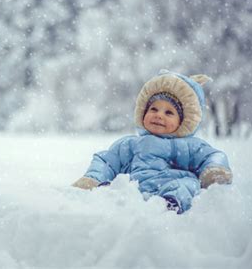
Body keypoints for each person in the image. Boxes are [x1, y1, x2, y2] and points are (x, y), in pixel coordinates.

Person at [72, 70, 233, 213]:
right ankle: (108, 197)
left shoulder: (188, 146)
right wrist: (94, 178)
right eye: (153, 109)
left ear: (183, 121)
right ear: (143, 112)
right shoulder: (130, 144)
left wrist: (214, 170)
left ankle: (171, 204)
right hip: (133, 189)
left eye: (169, 112)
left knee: (189, 183)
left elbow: (211, 156)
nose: (159, 115)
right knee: (115, 184)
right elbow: (106, 161)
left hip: (169, 186)